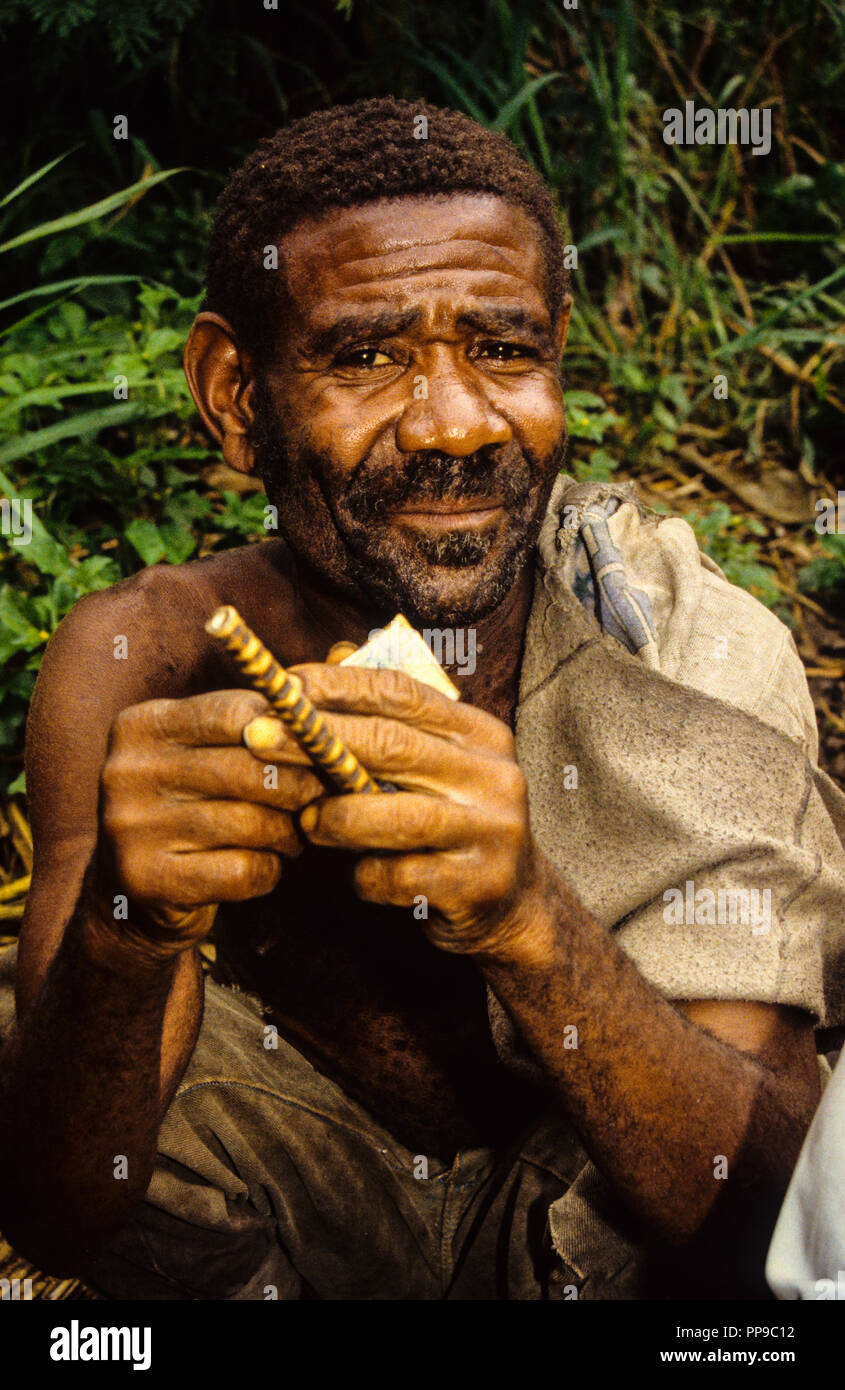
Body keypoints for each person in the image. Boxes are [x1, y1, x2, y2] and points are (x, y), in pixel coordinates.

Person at [0, 98, 843, 1301]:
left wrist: (527, 925)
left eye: (504, 351)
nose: (454, 423)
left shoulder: (681, 649)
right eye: (366, 355)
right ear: (234, 395)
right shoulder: (143, 660)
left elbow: (779, 1219)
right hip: (291, 1231)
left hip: (579, 1249)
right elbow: (55, 1205)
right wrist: (128, 934)